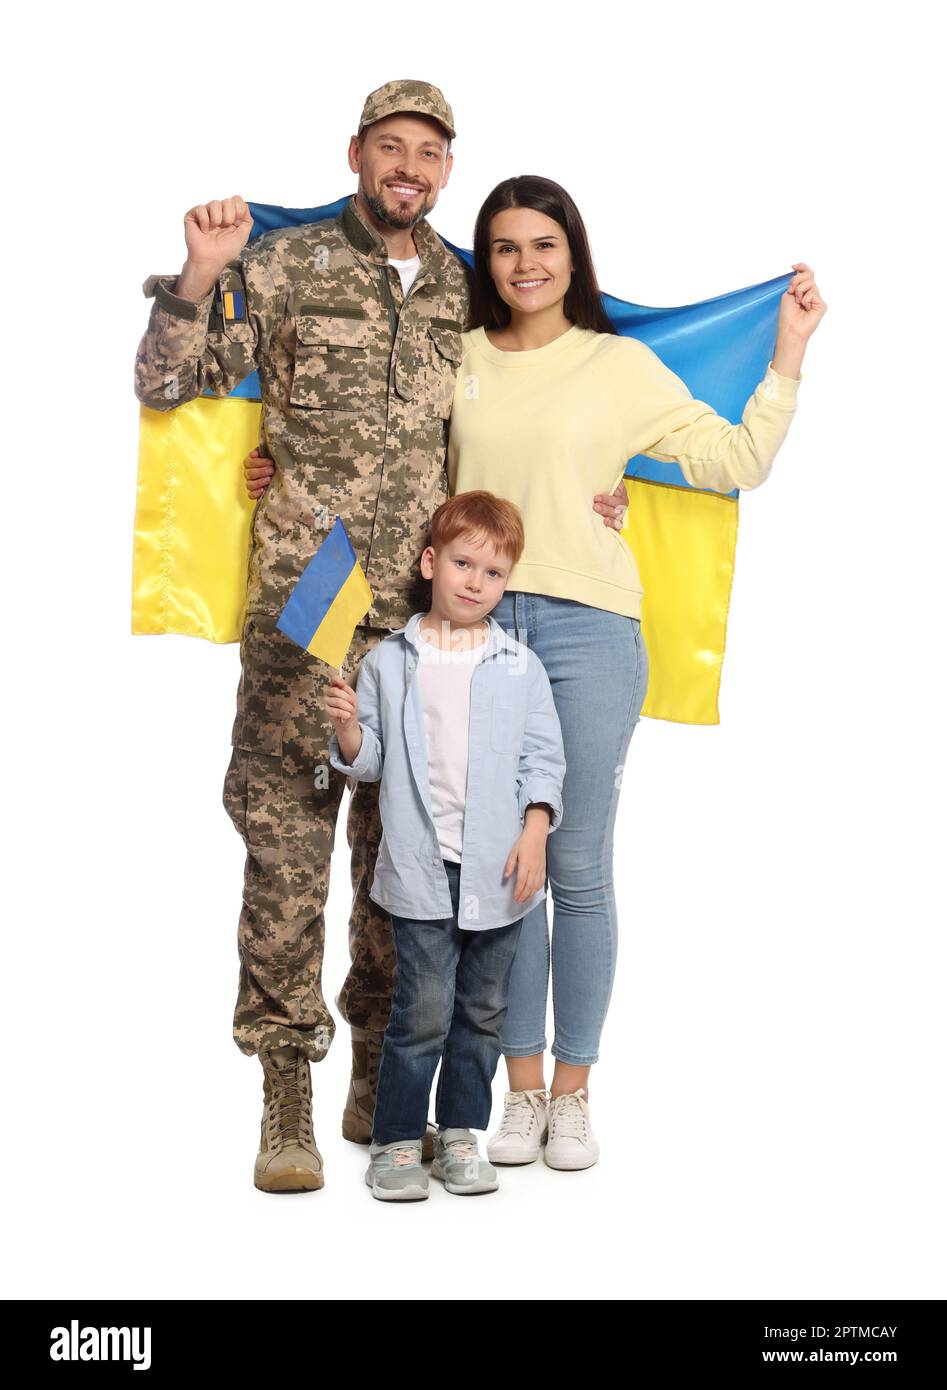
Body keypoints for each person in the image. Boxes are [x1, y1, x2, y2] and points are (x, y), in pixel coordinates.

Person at [247, 175, 826, 1173]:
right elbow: (374, 442)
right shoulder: (455, 355)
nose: (524, 264)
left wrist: (786, 352)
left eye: (543, 246)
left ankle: (572, 1092)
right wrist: (275, 461)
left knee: (575, 866)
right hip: (466, 636)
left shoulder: (618, 363)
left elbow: (733, 460)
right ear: (489, 260)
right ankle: (515, 1093)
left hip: (588, 628)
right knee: (496, 872)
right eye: (504, 247)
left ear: (572, 256)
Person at [134, 79, 626, 1194]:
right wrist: (202, 272)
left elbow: (541, 406)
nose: (409, 166)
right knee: (287, 839)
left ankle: (379, 1075)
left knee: (403, 853)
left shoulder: (468, 287)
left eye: (429, 153)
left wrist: (607, 488)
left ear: (447, 171)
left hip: (418, 618)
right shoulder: (287, 261)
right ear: (357, 152)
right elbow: (166, 382)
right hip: (308, 597)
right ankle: (284, 1091)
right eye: (390, 146)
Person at [325, 491, 566, 1200]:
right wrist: (345, 731)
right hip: (420, 871)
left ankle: (461, 1133)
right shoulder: (388, 664)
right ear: (431, 562)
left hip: (499, 872)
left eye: (492, 574)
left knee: (480, 1014)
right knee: (422, 1011)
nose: (473, 582)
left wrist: (534, 834)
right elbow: (366, 762)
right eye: (462, 563)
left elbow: (543, 760)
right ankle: (398, 1141)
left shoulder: (519, 666)